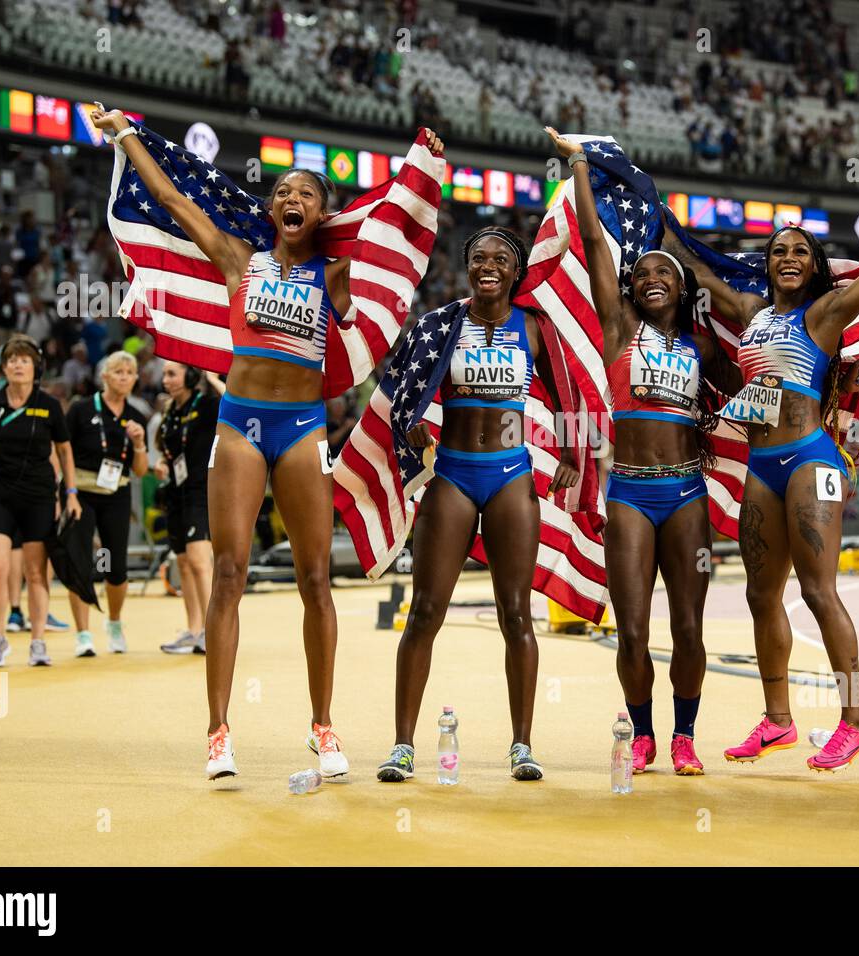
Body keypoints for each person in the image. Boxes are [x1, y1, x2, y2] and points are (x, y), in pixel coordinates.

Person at [90, 106, 445, 780]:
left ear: (320, 214)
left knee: (316, 579)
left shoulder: (334, 272)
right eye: (282, 191)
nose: (292, 198)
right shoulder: (237, 258)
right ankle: (219, 733)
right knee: (229, 573)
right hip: (242, 424)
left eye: (306, 194)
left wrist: (420, 164)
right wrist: (126, 133)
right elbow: (169, 195)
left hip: (304, 426)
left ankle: (323, 727)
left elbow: (388, 223)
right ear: (271, 207)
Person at [669, 174, 859, 772]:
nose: (789, 258)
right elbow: (697, 270)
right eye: (779, 251)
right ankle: (778, 720)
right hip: (762, 465)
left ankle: (856, 721)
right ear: (767, 265)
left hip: (812, 459)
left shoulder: (825, 314)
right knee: (761, 595)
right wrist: (642, 200)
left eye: (800, 252)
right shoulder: (750, 310)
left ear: (814, 267)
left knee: (817, 591)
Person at [548, 128, 740, 775]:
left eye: (665, 272)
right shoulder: (617, 330)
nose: (651, 277)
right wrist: (578, 165)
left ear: (683, 291)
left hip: (688, 494)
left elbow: (752, 395)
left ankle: (685, 734)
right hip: (628, 491)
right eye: (644, 273)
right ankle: (646, 732)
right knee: (631, 630)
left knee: (689, 628)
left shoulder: (702, 350)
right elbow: (598, 245)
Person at [375, 226, 580, 784]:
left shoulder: (534, 328)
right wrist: (411, 429)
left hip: (511, 471)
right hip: (455, 472)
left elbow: (568, 394)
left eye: (501, 260)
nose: (489, 266)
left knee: (517, 614)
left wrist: (571, 454)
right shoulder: (443, 324)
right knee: (424, 613)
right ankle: (402, 746)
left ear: (516, 272)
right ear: (467, 268)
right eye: (479, 258)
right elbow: (402, 389)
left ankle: (522, 745)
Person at [0, 336, 81, 667]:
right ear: (3, 368)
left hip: (39, 496)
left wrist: (71, 493)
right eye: (12, 360)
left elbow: (65, 451)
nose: (18, 365)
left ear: (35, 366)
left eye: (24, 359)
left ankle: (38, 641)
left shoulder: (50, 405)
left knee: (36, 572)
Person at [64, 351, 150, 657]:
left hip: (117, 493)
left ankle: (113, 622)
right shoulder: (81, 409)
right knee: (79, 562)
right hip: (82, 492)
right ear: (104, 376)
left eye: (130, 372)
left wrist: (139, 443)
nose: (124, 376)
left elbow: (140, 471)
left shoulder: (137, 416)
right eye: (118, 371)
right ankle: (83, 634)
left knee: (116, 567)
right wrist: (69, 491)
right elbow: (64, 452)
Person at [153, 361, 223, 657]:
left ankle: (213, 631)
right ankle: (194, 630)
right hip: (176, 492)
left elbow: (234, 402)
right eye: (165, 374)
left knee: (198, 561)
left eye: (172, 374)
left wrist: (212, 377)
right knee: (182, 563)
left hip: (201, 490)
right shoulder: (170, 411)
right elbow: (168, 449)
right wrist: (161, 463)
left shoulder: (207, 404)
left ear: (191, 376)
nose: (165, 379)